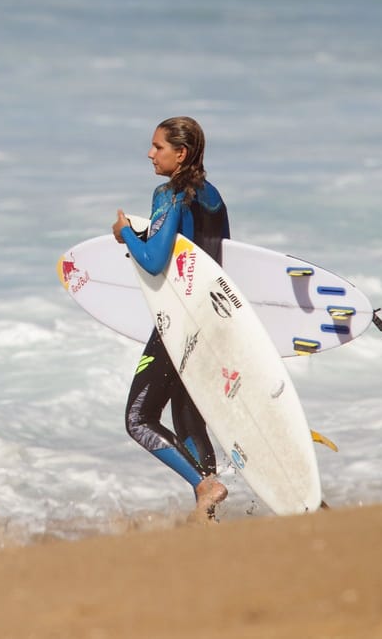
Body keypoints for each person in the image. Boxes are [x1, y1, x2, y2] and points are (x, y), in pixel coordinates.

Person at [111, 116, 232, 521]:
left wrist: (126, 233)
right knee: (186, 415)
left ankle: (204, 485)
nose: (150, 153)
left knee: (138, 418)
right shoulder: (213, 198)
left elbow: (154, 259)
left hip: (177, 322)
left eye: (158, 147)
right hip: (208, 317)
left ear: (180, 154)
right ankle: (210, 515)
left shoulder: (171, 195)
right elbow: (210, 259)